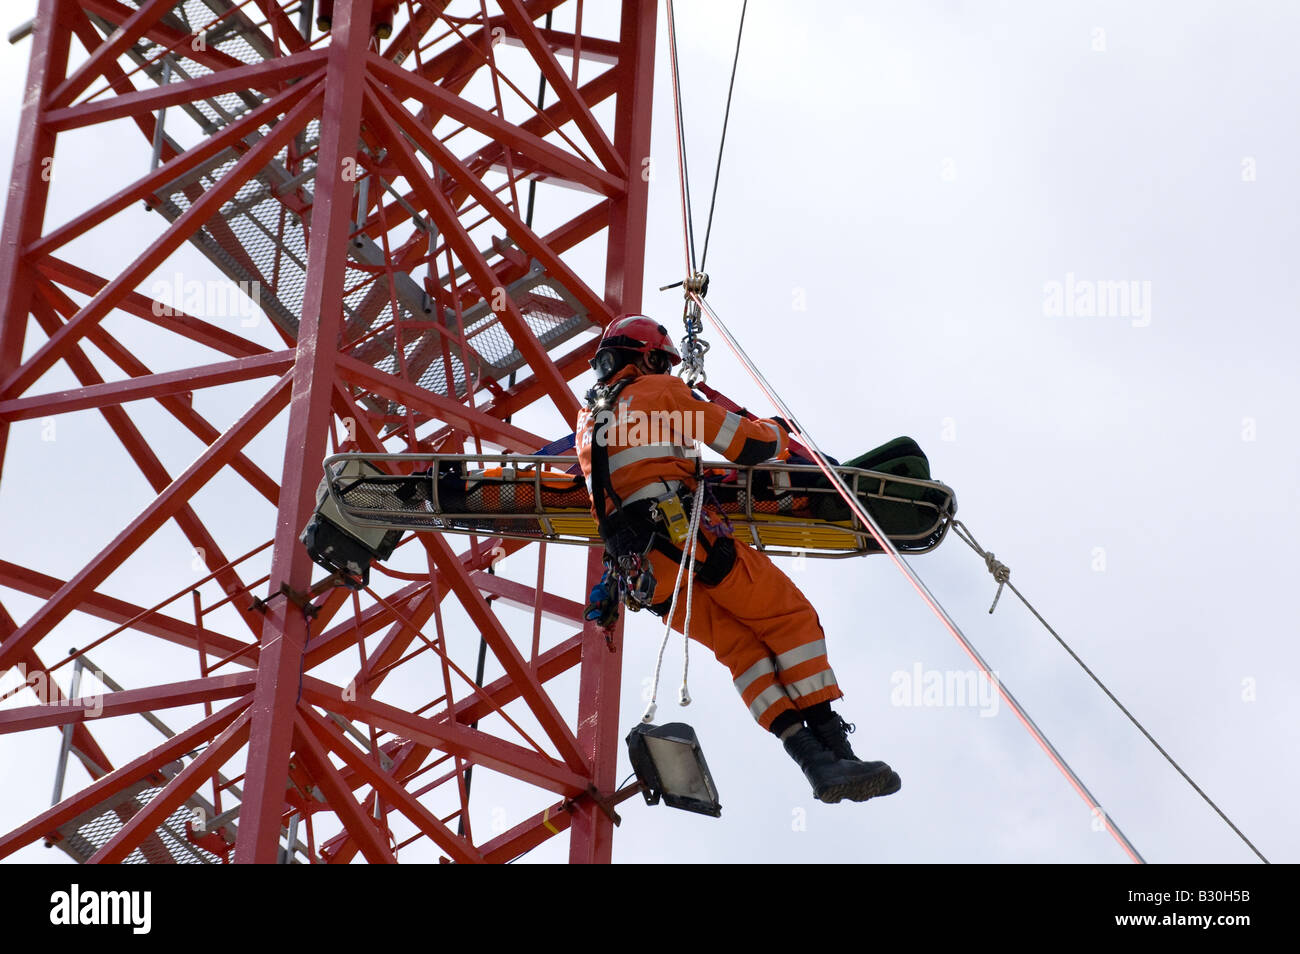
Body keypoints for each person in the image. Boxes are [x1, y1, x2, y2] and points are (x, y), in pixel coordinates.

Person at [576, 314, 901, 804]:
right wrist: (777, 433)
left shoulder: (587, 426)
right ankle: (837, 747)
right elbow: (745, 445)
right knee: (791, 621)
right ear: (648, 360)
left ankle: (815, 763)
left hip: (646, 576)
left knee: (744, 653)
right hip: (689, 542)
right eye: (663, 363)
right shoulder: (659, 393)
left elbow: (613, 497)